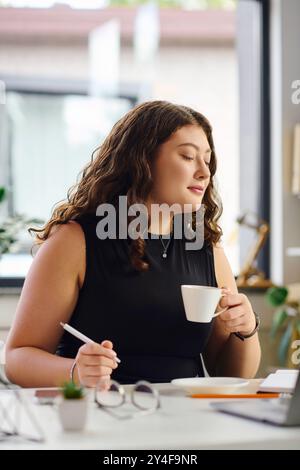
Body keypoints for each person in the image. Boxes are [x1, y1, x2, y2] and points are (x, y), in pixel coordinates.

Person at [5, 101, 261, 388]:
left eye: (207, 159)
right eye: (188, 157)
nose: (204, 172)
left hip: (189, 422)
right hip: (105, 417)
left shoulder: (206, 250)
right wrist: (76, 371)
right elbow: (18, 357)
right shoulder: (75, 241)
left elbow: (233, 376)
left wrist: (246, 329)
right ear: (143, 160)